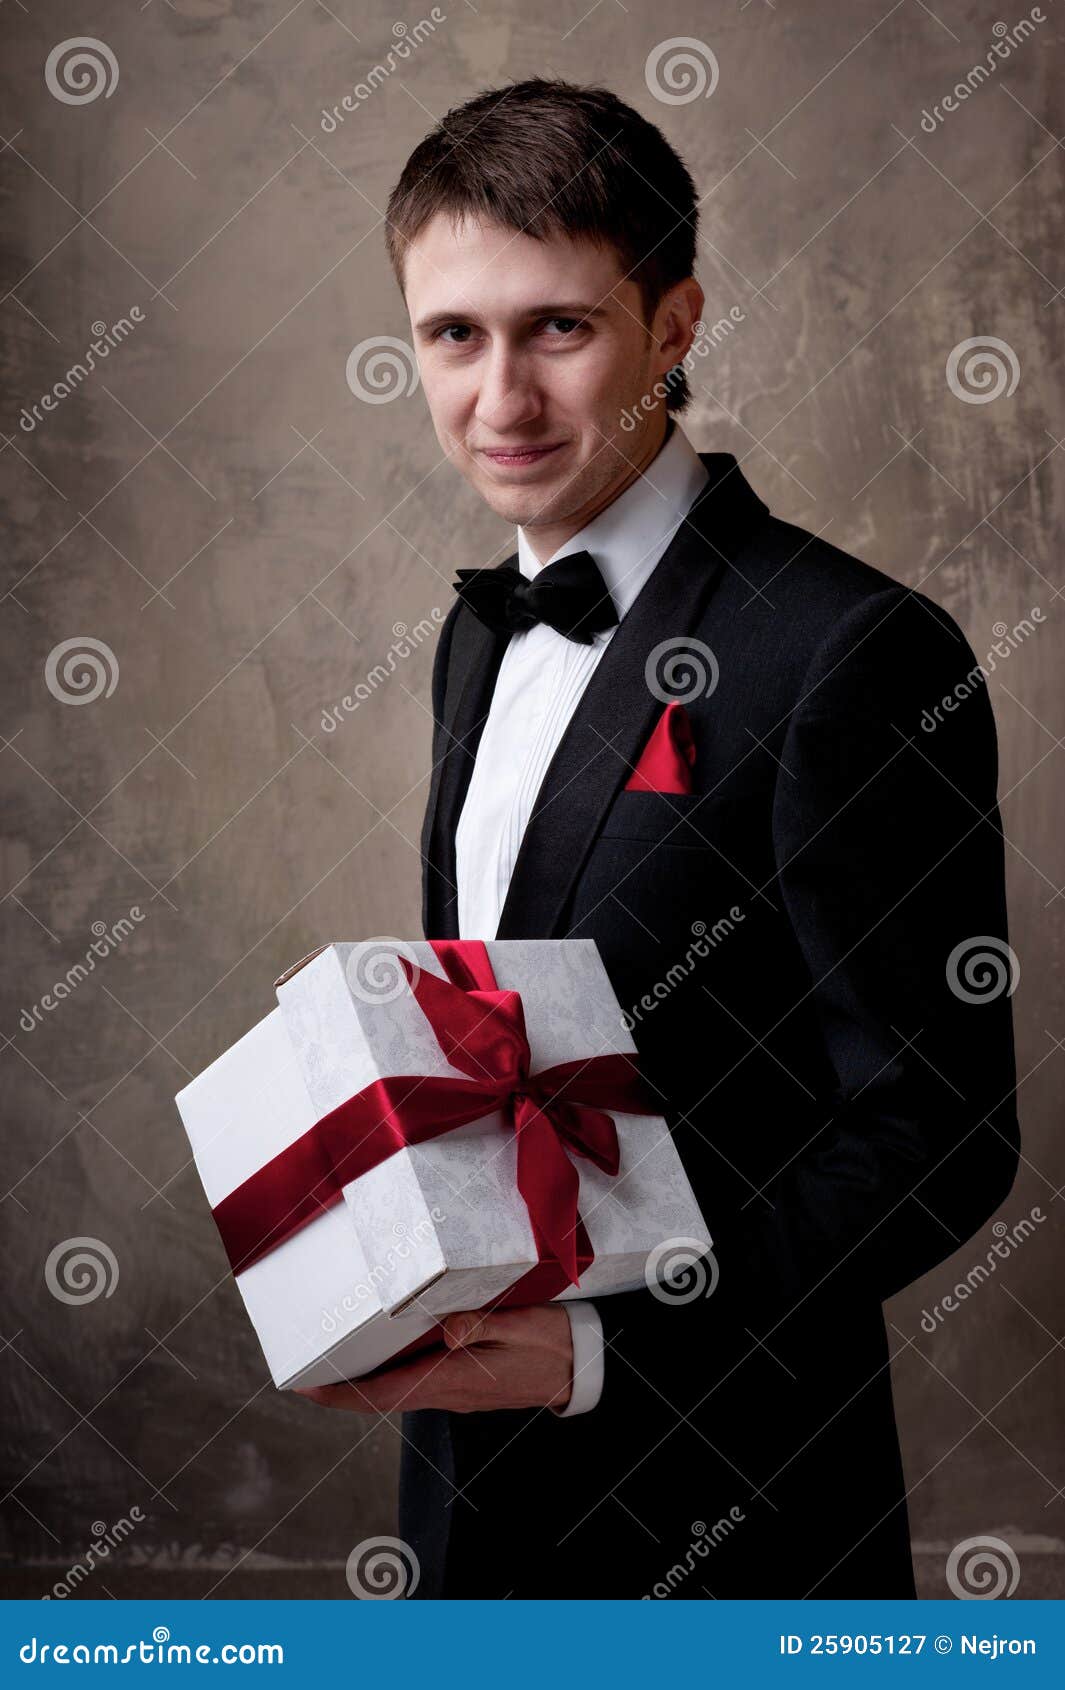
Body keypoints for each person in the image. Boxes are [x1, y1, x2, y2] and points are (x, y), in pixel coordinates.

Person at [296, 77, 1020, 1599]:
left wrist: (596, 1349)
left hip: (730, 1507)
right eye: (453, 335)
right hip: (462, 1488)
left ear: (674, 325)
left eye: (558, 328)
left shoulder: (850, 650)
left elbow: (935, 1136)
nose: (502, 400)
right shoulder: (474, 640)